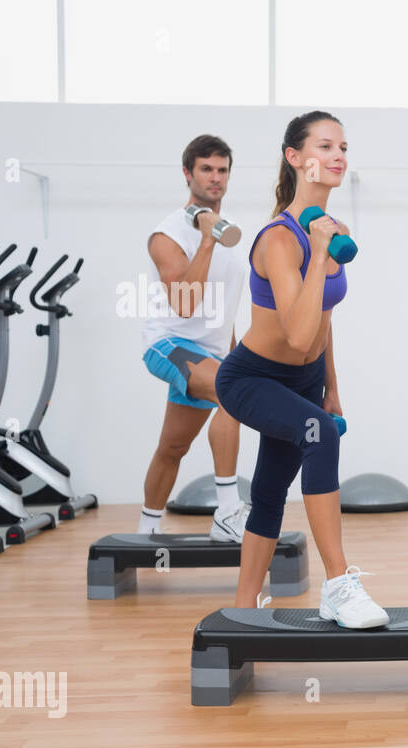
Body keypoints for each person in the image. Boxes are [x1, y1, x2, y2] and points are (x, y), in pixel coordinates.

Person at [214, 110, 386, 627]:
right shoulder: (279, 239)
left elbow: (323, 324)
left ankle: (243, 611)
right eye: (325, 147)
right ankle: (338, 584)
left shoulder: (334, 232)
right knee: (321, 437)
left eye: (343, 148)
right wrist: (315, 252)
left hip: (306, 381)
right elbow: (297, 332)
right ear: (295, 158)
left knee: (269, 490)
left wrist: (331, 387)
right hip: (252, 378)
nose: (338, 157)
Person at [140, 135, 248, 541]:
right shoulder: (167, 235)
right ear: (188, 173)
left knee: (173, 448)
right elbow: (185, 305)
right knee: (233, 393)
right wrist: (206, 238)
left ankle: (144, 534)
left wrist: (234, 355)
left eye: (222, 170)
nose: (215, 178)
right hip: (168, 345)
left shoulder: (232, 239)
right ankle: (227, 512)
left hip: (210, 353)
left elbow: (223, 309)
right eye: (206, 169)